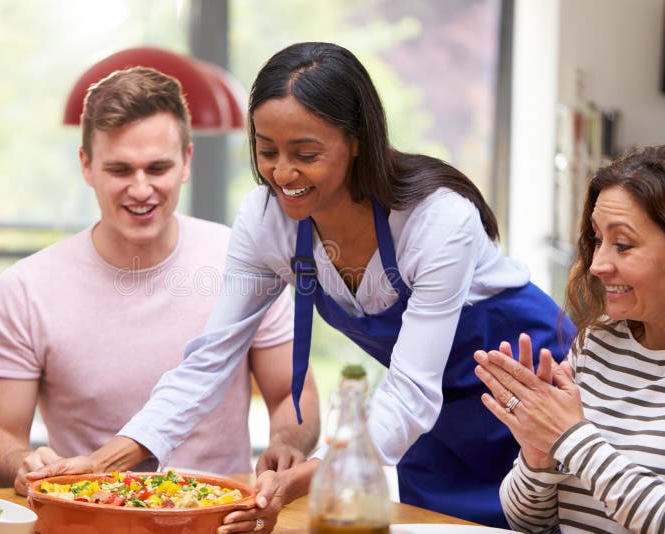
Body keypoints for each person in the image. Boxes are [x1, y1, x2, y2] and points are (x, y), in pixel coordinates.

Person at [28, 42, 574, 530]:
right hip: (430, 428)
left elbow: (410, 391)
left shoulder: (436, 220)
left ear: (357, 141)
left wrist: (312, 475)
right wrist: (106, 460)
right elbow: (210, 360)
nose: (282, 173)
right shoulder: (267, 221)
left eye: (306, 154)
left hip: (542, 396)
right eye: (267, 151)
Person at [0, 67, 320, 497]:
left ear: (187, 162)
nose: (141, 189)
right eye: (120, 170)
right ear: (86, 166)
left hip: (221, 516)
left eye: (158, 168)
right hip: (91, 518)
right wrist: (23, 465)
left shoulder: (245, 262)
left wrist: (286, 442)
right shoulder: (25, 288)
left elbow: (293, 393)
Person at [475, 145, 665, 533]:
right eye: (597, 240)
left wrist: (571, 438)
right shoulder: (595, 345)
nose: (597, 265)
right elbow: (528, 524)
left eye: (623, 244)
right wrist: (537, 455)